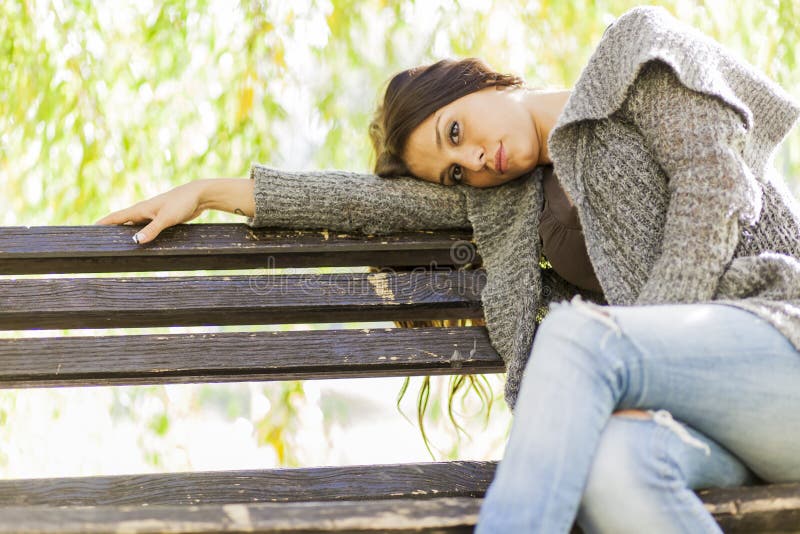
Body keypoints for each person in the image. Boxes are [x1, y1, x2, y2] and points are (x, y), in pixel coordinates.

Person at [96, 6, 800, 533]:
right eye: (455, 174)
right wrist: (212, 191)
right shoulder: (512, 203)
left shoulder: (638, 57)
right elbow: (363, 200)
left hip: (778, 340)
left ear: (477, 78)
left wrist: (638, 354)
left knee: (578, 337)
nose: (475, 163)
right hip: (726, 424)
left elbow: (715, 191)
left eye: (455, 132)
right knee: (613, 465)